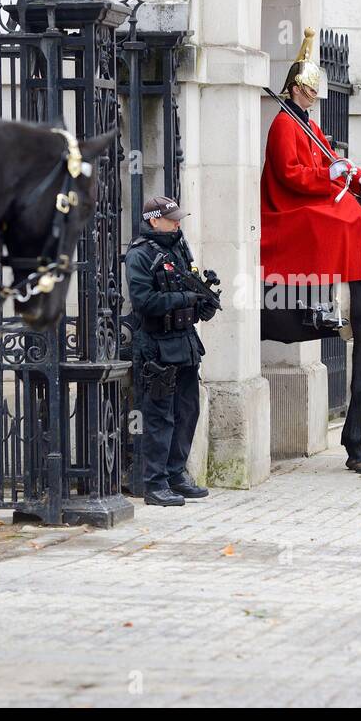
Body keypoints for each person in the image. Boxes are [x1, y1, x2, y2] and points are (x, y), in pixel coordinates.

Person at [260, 28, 361, 330]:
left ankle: (343, 296)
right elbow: (289, 174)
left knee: (357, 215)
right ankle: (320, 302)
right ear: (296, 89)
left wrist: (356, 177)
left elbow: (333, 159)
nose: (314, 96)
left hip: (312, 193)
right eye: (310, 91)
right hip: (288, 202)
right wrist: (327, 175)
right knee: (332, 222)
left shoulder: (307, 122)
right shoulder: (284, 124)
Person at [125, 196, 217, 507]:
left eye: (178, 217)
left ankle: (176, 474)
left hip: (185, 343)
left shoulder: (179, 248)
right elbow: (144, 302)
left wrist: (202, 301)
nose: (177, 223)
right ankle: (154, 483)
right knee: (159, 416)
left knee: (187, 411)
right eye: (171, 218)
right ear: (154, 220)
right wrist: (184, 298)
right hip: (156, 346)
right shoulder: (139, 254)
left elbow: (190, 290)